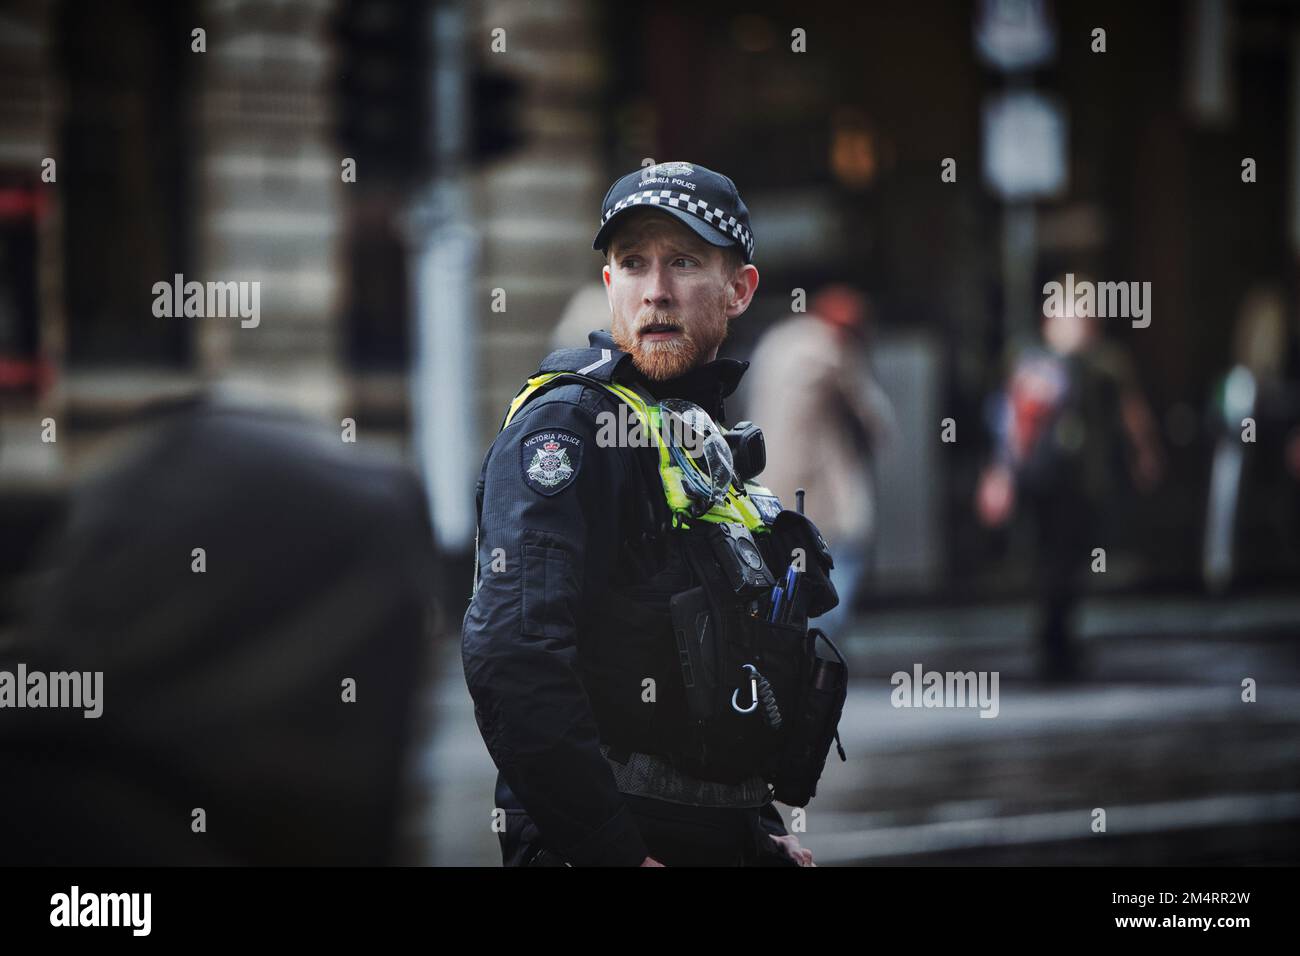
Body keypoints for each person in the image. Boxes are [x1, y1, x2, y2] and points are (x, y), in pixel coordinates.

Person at [463, 161, 843, 867]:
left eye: (684, 262)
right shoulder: (571, 432)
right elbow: (514, 656)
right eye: (632, 263)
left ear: (740, 289)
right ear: (609, 285)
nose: (656, 292)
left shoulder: (690, 434)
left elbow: (713, 670)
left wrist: (751, 828)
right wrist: (611, 852)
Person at [977, 280, 1163, 681]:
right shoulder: (1029, 357)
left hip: (1085, 479)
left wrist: (1143, 454)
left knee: (1071, 559)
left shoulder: (1106, 360)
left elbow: (1131, 410)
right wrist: (1000, 473)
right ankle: (1053, 638)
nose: (1078, 321)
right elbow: (1008, 420)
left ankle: (1058, 633)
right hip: (1042, 479)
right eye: (1070, 312)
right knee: (1052, 558)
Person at [744, 285, 895, 640]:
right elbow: (876, 418)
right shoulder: (830, 348)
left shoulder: (777, 340)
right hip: (820, 486)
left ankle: (794, 638)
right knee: (845, 551)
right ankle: (817, 639)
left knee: (788, 564)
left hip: (767, 480)